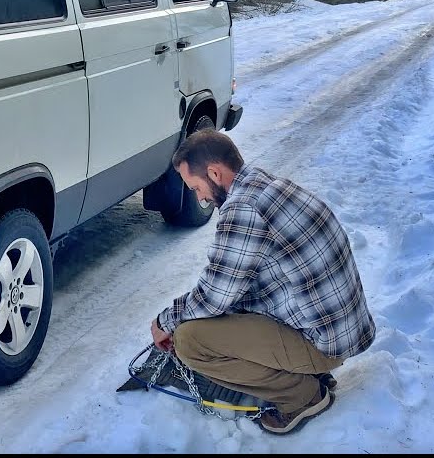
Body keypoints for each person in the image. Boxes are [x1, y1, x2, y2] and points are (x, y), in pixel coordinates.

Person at [151, 128, 376, 435]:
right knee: (225, 314)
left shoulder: (242, 209)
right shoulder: (266, 185)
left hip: (325, 346)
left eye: (194, 187)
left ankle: (302, 396)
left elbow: (214, 297)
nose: (199, 197)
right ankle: (312, 373)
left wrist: (165, 322)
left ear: (214, 173)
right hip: (340, 333)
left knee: (191, 341)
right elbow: (241, 285)